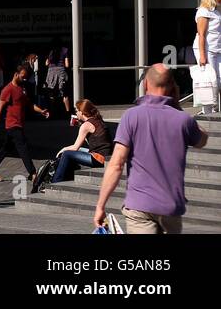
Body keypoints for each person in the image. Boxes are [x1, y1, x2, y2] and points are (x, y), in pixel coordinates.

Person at [94, 63, 207, 234]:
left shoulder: (131, 116)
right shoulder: (184, 120)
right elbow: (202, 140)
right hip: (171, 207)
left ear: (145, 84)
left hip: (139, 205)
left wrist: (100, 206)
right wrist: (177, 105)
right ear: (172, 87)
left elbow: (116, 164)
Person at [0, 64, 50, 184]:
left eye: (26, 78)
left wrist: (41, 111)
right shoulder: (7, 90)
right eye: (22, 77)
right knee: (23, 147)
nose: (24, 79)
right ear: (16, 74)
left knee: (6, 148)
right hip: (12, 125)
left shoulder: (21, 89)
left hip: (18, 124)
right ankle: (33, 173)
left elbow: (29, 104)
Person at [48, 99, 114, 188]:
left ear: (82, 112)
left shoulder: (86, 125)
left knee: (67, 153)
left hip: (99, 158)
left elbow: (75, 147)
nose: (76, 113)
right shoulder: (97, 120)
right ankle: (68, 177)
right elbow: (92, 143)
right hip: (106, 157)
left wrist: (62, 149)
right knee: (76, 151)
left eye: (77, 111)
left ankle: (55, 182)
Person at [196, 0, 221, 111]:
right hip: (207, 50)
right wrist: (202, 56)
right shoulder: (203, 11)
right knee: (210, 81)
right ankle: (208, 111)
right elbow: (201, 35)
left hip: (217, 50)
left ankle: (216, 107)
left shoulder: (215, 11)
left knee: (218, 80)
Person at [44, 43, 72, 115]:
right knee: (64, 93)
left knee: (51, 93)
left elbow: (46, 64)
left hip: (51, 72)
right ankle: (67, 112)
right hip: (61, 71)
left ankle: (52, 112)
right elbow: (67, 65)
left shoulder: (51, 51)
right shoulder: (65, 50)